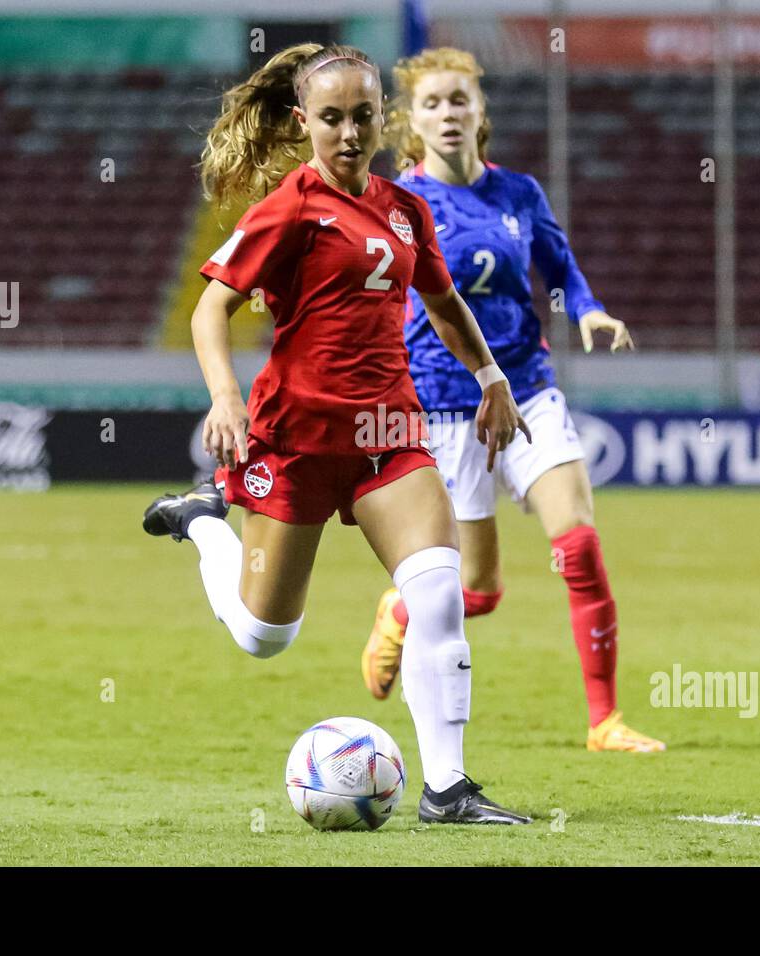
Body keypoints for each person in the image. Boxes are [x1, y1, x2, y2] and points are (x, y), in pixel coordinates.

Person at [141, 44, 533, 824]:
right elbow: (211, 308)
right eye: (331, 119)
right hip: (296, 442)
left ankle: (447, 789)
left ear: (382, 119)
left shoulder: (404, 207)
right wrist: (225, 399)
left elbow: (447, 305)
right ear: (303, 122)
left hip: (390, 435)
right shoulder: (290, 207)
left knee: (438, 592)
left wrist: (493, 379)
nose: (348, 133)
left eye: (362, 116)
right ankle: (203, 525)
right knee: (262, 636)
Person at [358, 47, 665, 754]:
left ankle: (605, 721)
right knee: (481, 591)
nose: (448, 113)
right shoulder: (397, 203)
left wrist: (588, 311)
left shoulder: (520, 193)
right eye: (433, 102)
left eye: (460, 99)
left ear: (480, 111)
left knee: (579, 542)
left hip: (526, 387)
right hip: (444, 407)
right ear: (412, 120)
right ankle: (400, 610)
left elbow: (561, 267)